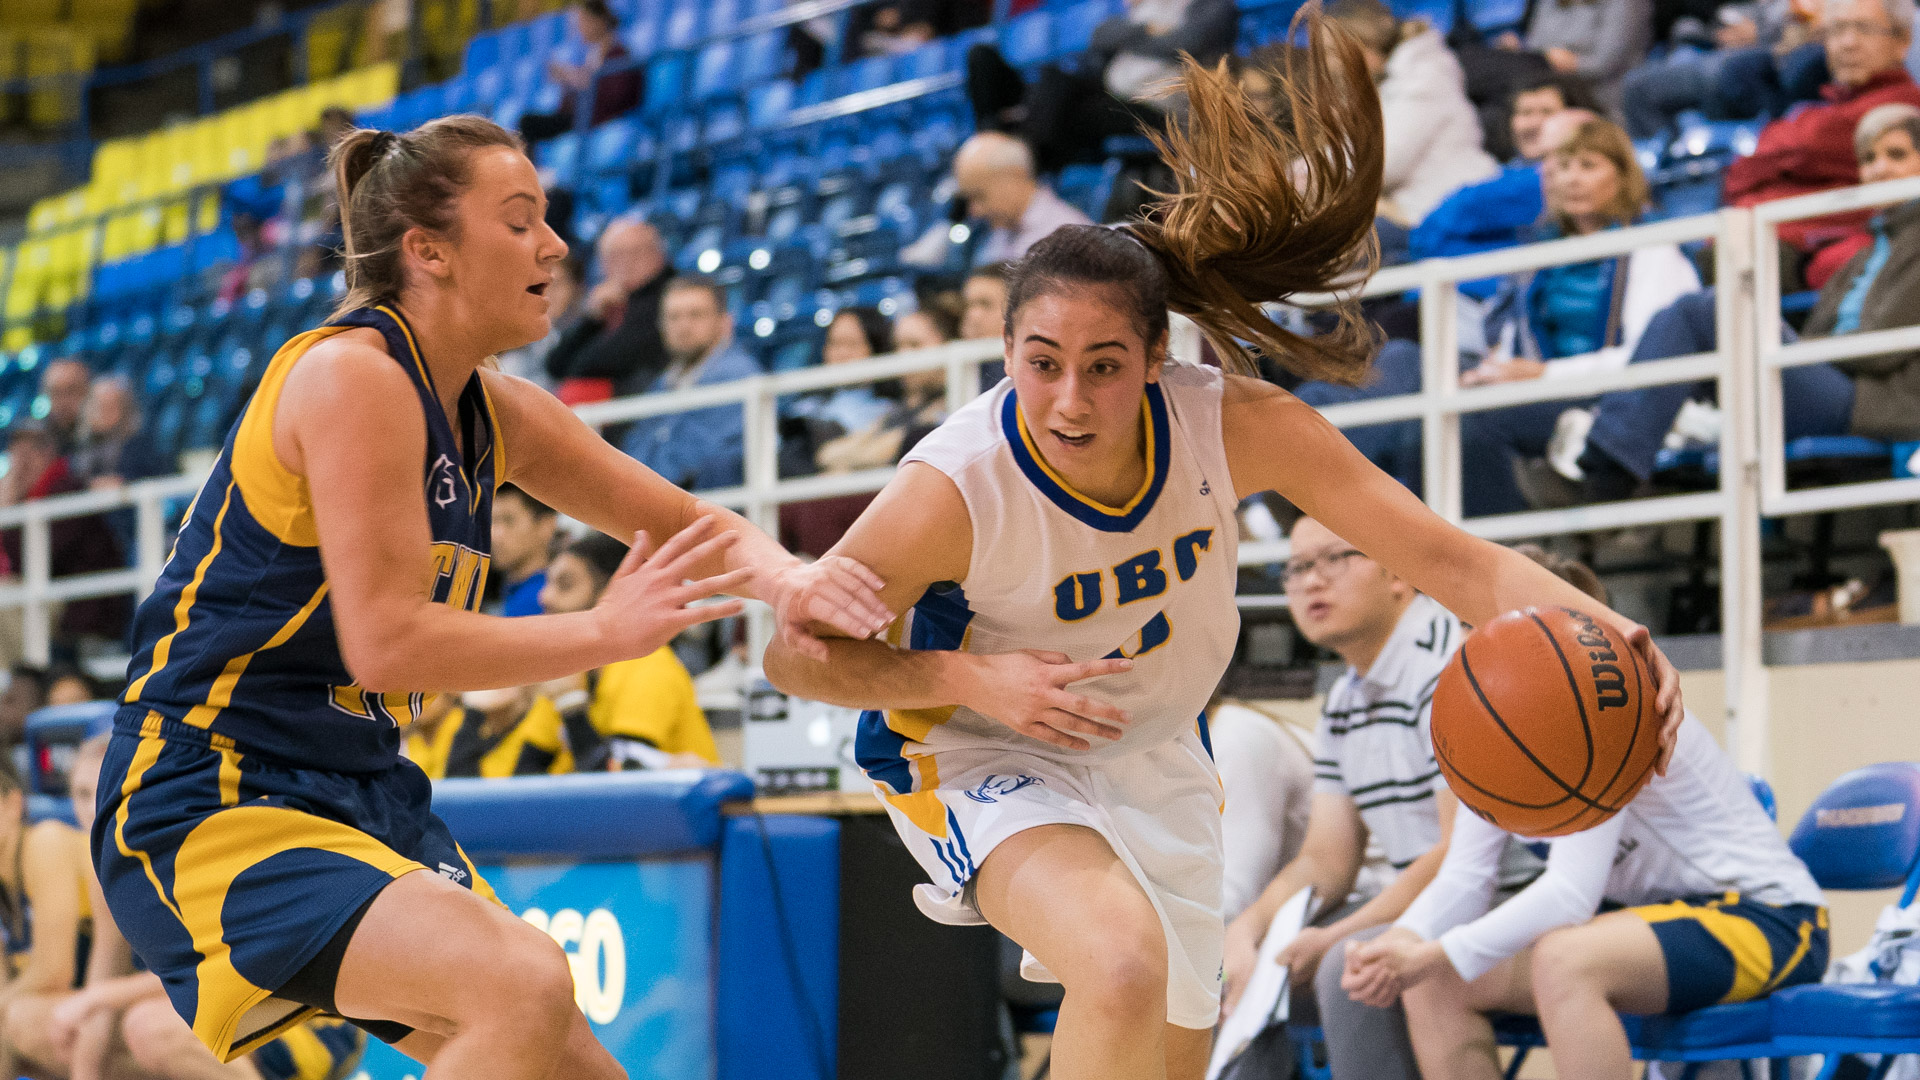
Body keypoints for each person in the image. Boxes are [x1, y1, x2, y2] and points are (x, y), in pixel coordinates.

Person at [759, 21, 1687, 1079]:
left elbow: (1461, 566)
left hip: (1155, 754)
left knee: (1168, 1056)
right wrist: (972, 677)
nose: (1069, 399)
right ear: (1005, 352)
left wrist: (1623, 642)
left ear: (1159, 358)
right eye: (1041, 362)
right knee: (1116, 961)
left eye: (1105, 365)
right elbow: (793, 658)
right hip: (975, 745)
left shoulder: (1239, 426)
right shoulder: (952, 487)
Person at [94, 115, 889, 1079]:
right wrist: (602, 631)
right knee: (521, 980)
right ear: (426, 250)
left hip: (359, 787)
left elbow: (687, 522)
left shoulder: (493, 409)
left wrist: (791, 579)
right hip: (214, 785)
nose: (555, 244)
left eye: (547, 218)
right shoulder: (351, 375)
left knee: (572, 1058)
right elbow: (387, 643)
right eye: (520, 221)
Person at [1344, 561, 1826, 1080]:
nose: (1465, 643)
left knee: (1564, 959)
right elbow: (1466, 874)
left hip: (1772, 918)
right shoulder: (1496, 726)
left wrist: (1436, 951)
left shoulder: (1605, 707)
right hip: (1646, 926)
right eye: (1465, 627)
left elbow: (1571, 894)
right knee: (1436, 983)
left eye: (1481, 625)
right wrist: (1406, 939)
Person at [1220, 517, 1537, 1080]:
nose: (1311, 582)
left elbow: (1456, 855)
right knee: (1240, 969)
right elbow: (1326, 859)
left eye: (1333, 559)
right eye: (1295, 568)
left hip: (1504, 894)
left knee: (1348, 963)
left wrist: (1335, 934)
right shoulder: (1345, 697)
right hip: (1422, 901)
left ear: (1398, 573)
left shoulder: (1447, 670)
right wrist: (1247, 929)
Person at [1565, 101, 1920, 502]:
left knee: (1705, 311)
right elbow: (1827, 331)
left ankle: (1609, 464)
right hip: (1834, 381)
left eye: (1897, 155)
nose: (1879, 169)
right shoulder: (1868, 249)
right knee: (1697, 324)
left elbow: (1882, 349)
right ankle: (1622, 452)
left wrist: (1796, 355)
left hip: (1872, 401)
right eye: (1869, 158)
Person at [43, 735, 371, 1080]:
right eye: (81, 794)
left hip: (304, 1013)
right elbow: (103, 978)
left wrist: (106, 997)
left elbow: (229, 968)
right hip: (217, 1013)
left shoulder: (189, 845)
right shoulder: (105, 869)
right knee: (55, 1025)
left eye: (102, 792)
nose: (93, 809)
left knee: (150, 1027)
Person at [1723, 0, 1920, 289]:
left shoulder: (1904, 107)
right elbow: (1738, 175)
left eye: (1864, 29)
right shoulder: (1818, 110)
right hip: (1782, 250)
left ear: (1902, 41)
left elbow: (1809, 145)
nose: (1848, 43)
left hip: (1815, 255)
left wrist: (1774, 155)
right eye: (1836, 30)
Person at [964, 0, 1238, 174]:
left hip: (1157, 109)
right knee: (1034, 72)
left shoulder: (1214, 5)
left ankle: (1013, 159)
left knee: (1060, 107)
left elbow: (1184, 44)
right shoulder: (1145, 7)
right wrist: (1149, 32)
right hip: (1111, 97)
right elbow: (1101, 35)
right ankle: (1015, 154)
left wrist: (1133, 35)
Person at [532, 531, 719, 771]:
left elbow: (616, 788)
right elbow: (524, 773)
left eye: (565, 585)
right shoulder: (565, 669)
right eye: (547, 583)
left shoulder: (649, 664)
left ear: (611, 596)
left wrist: (571, 705)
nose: (544, 597)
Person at [1325, 0, 1498, 233]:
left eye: (1333, 52)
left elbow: (1384, 164)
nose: (1328, 64)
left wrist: (1314, 176)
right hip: (1410, 213)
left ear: (1368, 46)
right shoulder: (1371, 90)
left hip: (1451, 211)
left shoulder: (1423, 80)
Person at [1409, 85, 1600, 279]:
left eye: (1546, 112)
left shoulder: (1541, 182)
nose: (1534, 123)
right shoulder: (1504, 173)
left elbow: (1431, 231)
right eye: (1525, 113)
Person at [618, 275, 764, 490]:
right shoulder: (660, 384)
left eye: (696, 315)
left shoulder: (739, 375)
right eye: (673, 317)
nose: (683, 326)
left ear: (725, 322)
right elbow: (631, 453)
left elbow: (696, 457)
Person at [0, 755, 90, 1078]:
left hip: (146, 991)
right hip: (86, 1006)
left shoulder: (45, 841)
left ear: (13, 804)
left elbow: (56, 971)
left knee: (20, 1019)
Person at [542, 219, 674, 401]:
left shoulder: (670, 295)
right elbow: (555, 365)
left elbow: (599, 363)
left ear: (658, 254)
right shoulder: (608, 301)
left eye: (635, 253)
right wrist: (591, 319)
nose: (626, 263)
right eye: (615, 255)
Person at [950, 134, 1094, 267]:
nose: (974, 211)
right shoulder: (999, 232)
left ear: (1015, 177)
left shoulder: (1068, 239)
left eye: (979, 196)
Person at [517, 0, 641, 144]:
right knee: (527, 123)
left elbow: (617, 96)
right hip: (581, 117)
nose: (580, 29)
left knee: (529, 123)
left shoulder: (618, 54)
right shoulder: (592, 55)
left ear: (598, 21)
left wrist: (575, 78)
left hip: (598, 118)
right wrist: (567, 83)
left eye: (583, 22)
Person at [495, 253, 584, 388]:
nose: (547, 294)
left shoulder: (583, 334)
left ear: (575, 288)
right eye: (539, 286)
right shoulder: (513, 352)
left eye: (556, 285)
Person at [488, 484, 558, 617]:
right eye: (492, 521)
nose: (495, 534)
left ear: (546, 525)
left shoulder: (548, 600)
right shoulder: (510, 591)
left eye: (509, 521)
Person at [39, 358, 90, 454]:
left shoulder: (106, 441)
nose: (63, 401)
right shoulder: (39, 443)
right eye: (55, 393)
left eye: (71, 391)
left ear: (87, 391)